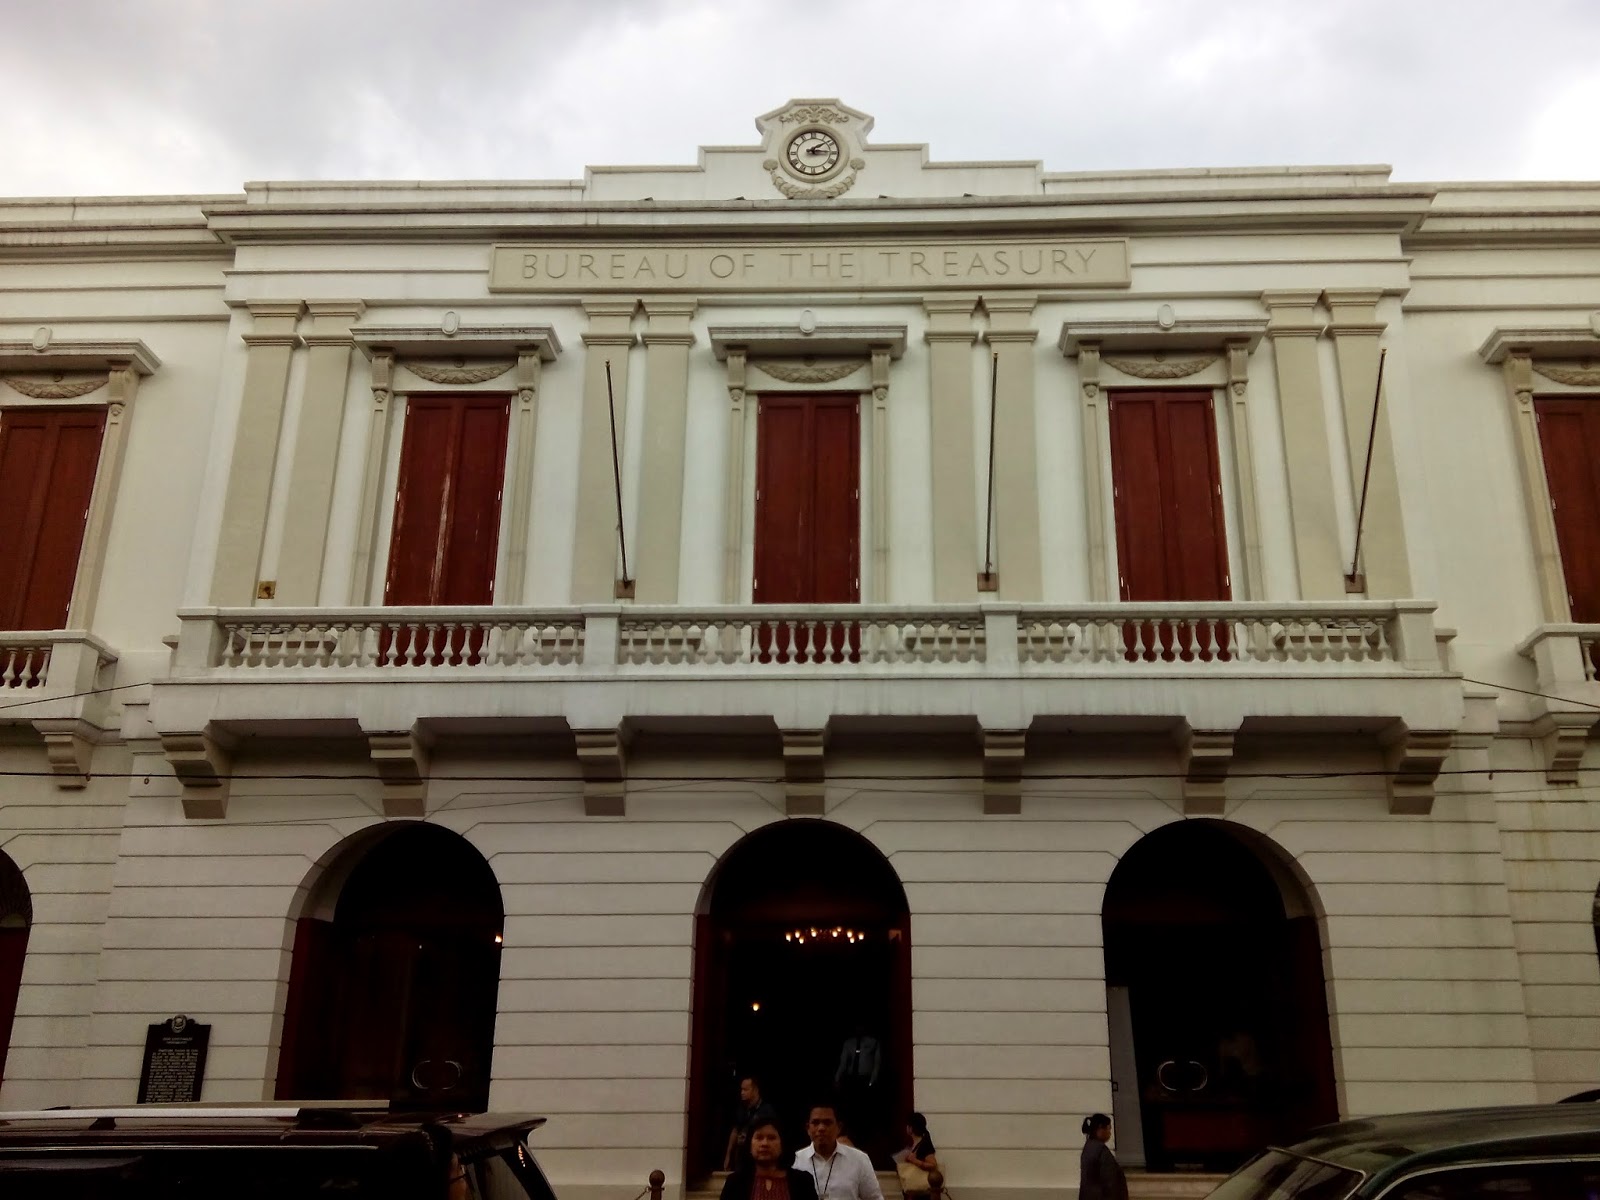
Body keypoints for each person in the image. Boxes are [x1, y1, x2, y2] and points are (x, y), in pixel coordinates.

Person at [793, 1103, 884, 1200]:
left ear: (839, 1127)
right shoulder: (796, 1160)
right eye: (815, 1123)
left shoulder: (859, 1159)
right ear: (808, 1128)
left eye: (827, 1123)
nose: (821, 1128)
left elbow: (874, 1198)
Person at [721, 1115, 818, 1200]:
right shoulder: (735, 1183)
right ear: (749, 1145)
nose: (765, 1143)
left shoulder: (802, 1182)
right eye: (759, 1138)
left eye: (771, 1138)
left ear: (782, 1144)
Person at [725, 1075, 781, 1169]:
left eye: (746, 1090)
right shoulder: (741, 1110)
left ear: (755, 1090)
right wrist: (728, 1155)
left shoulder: (766, 1110)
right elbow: (735, 1130)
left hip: (759, 1157)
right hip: (741, 1157)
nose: (742, 1093)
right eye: (741, 1090)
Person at [1078, 1113, 1128, 1200]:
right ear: (1100, 1128)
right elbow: (1110, 1181)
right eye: (1109, 1129)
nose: (1110, 1133)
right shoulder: (1100, 1150)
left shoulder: (1089, 1147)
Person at [895, 1113, 937, 1197]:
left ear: (911, 1128)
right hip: (912, 1192)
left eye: (908, 1125)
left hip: (920, 1192)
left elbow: (933, 1164)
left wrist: (914, 1161)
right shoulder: (913, 1144)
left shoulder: (924, 1144)